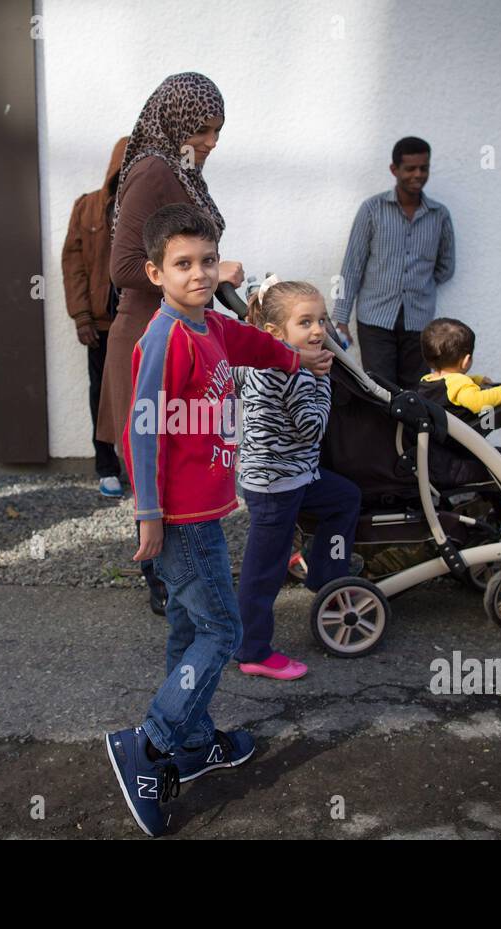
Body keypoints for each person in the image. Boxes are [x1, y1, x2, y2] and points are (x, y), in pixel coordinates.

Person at [104, 204, 333, 837]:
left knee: (188, 626)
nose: (200, 273)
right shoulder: (165, 339)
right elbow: (140, 430)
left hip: (205, 506)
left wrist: (296, 360)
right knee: (224, 630)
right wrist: (147, 514)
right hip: (177, 514)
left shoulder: (211, 326)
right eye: (183, 265)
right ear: (156, 272)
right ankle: (149, 744)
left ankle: (195, 740)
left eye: (207, 260)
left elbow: (255, 341)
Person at [95, 72, 245, 616]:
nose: (211, 142)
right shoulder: (154, 170)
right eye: (202, 129)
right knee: (156, 457)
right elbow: (124, 266)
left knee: (178, 458)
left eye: (217, 130)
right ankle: (173, 585)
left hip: (183, 330)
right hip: (148, 335)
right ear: (174, 121)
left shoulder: (177, 169)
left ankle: (178, 581)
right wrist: (213, 270)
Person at [233, 278, 360, 681]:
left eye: (321, 320)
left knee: (344, 498)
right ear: (276, 333)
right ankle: (251, 649)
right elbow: (312, 428)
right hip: (276, 485)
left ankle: (322, 570)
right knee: (262, 569)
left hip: (288, 475)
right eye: (305, 322)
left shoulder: (258, 358)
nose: (318, 330)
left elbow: (235, 377)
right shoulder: (297, 372)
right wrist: (323, 380)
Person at [333, 136, 455, 388]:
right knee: (379, 390)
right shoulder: (372, 210)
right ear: (394, 169)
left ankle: (410, 431)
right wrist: (341, 321)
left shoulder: (439, 215)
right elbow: (352, 267)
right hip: (375, 320)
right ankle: (383, 431)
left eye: (424, 168)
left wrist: (420, 286)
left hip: (419, 322)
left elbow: (446, 266)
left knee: (415, 391)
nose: (418, 174)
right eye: (410, 168)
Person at [62, 136, 129, 497]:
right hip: (102, 323)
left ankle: (143, 464)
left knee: (145, 393)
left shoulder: (148, 206)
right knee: (101, 394)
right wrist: (81, 316)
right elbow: (73, 265)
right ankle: (107, 467)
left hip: (142, 322)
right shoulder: (87, 207)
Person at [415, 317, 501, 486]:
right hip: (459, 453)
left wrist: (476, 380)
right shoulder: (459, 385)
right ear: (466, 360)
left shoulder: (427, 381)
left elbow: (454, 384)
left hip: (440, 452)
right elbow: (478, 402)